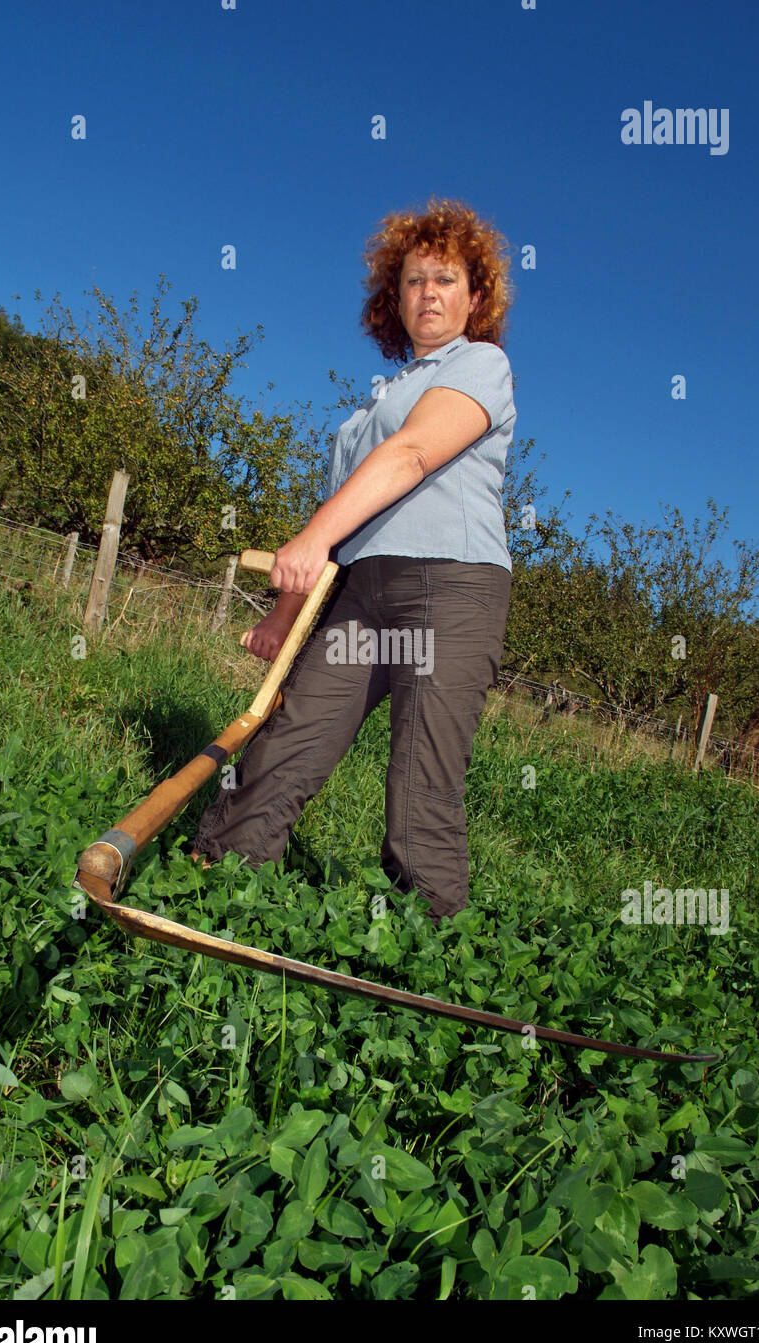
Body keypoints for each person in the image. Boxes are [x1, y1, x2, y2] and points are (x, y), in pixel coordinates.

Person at [191, 196, 516, 925]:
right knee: (288, 740)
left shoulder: (481, 365)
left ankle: (426, 951)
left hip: (450, 586)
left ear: (475, 296)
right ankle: (216, 887)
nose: (427, 294)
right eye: (411, 281)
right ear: (391, 299)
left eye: (444, 280)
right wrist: (282, 613)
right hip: (358, 591)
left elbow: (410, 455)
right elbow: (335, 531)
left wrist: (307, 540)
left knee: (421, 782)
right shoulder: (375, 404)